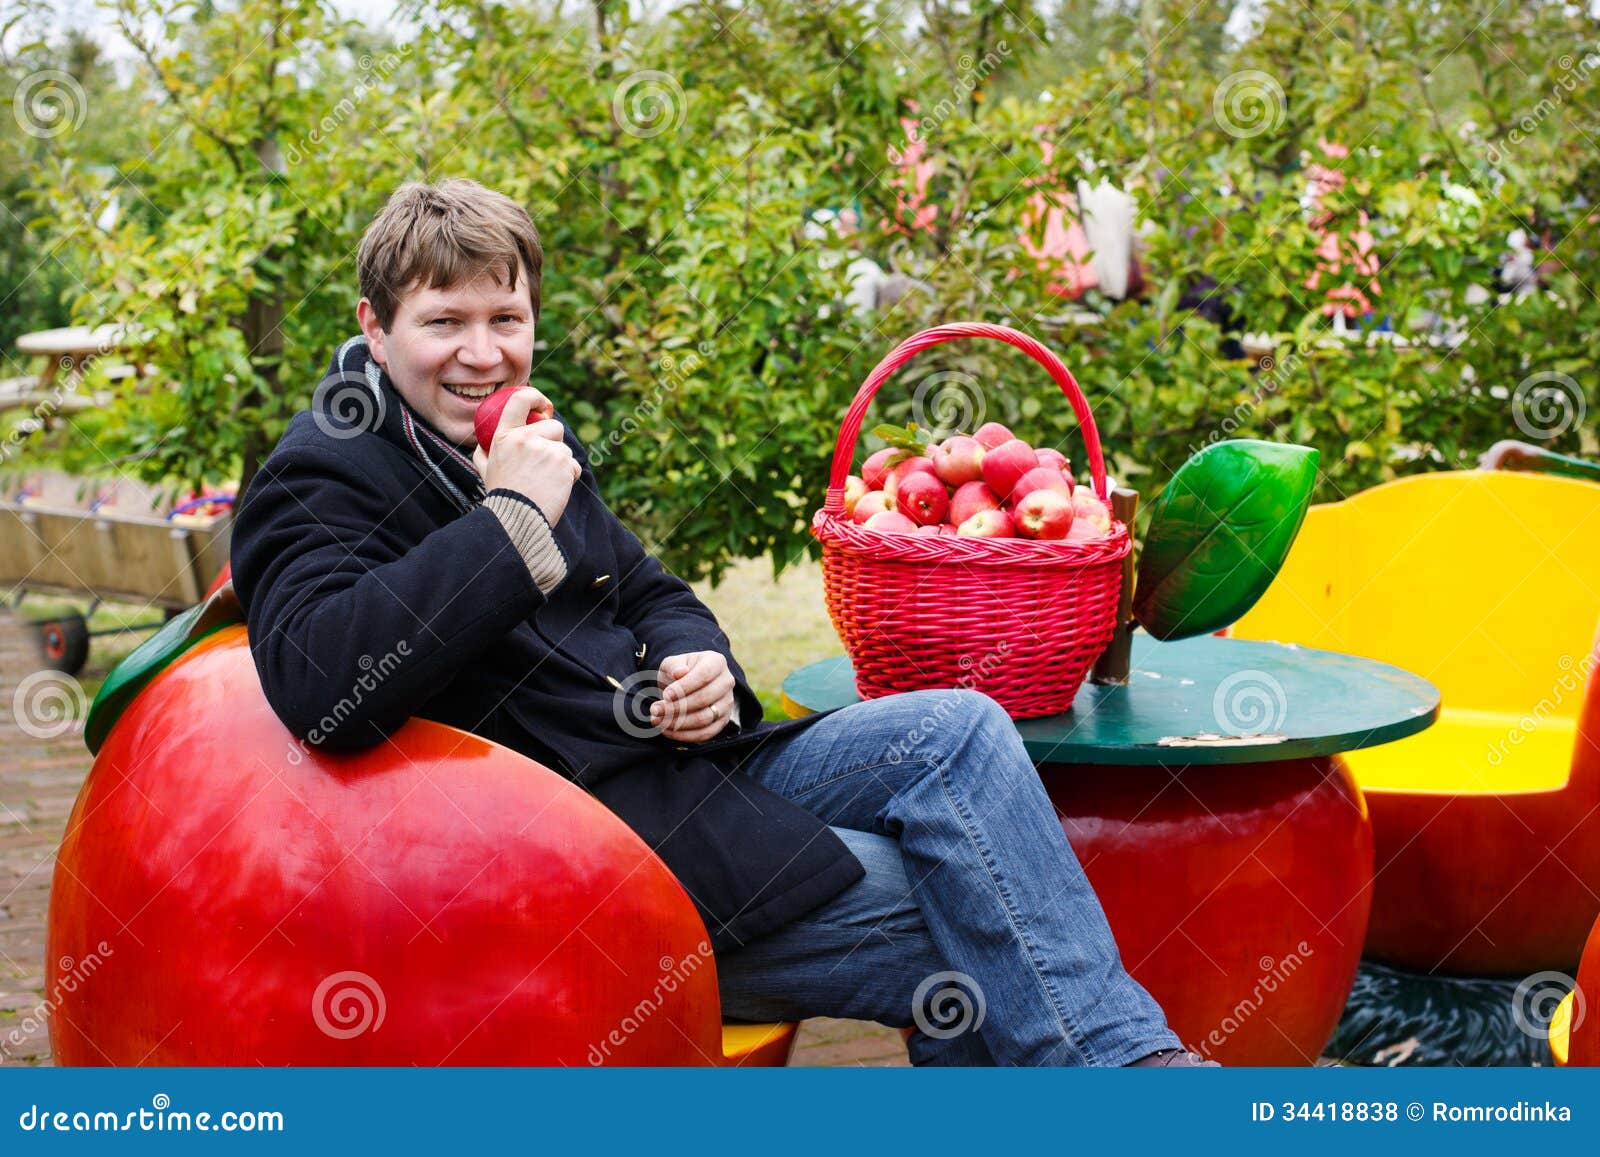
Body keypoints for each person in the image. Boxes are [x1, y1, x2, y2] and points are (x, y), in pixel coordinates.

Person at [230, 177, 1210, 1067]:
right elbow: (322, 683)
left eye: (507, 317)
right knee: (965, 909)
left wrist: (694, 657)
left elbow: (650, 588)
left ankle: (1125, 1073)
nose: (484, 354)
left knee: (956, 731)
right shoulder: (320, 473)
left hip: (680, 771)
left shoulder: (514, 433)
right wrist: (512, 523)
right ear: (376, 323)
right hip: (582, 865)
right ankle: (1130, 1084)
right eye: (445, 321)